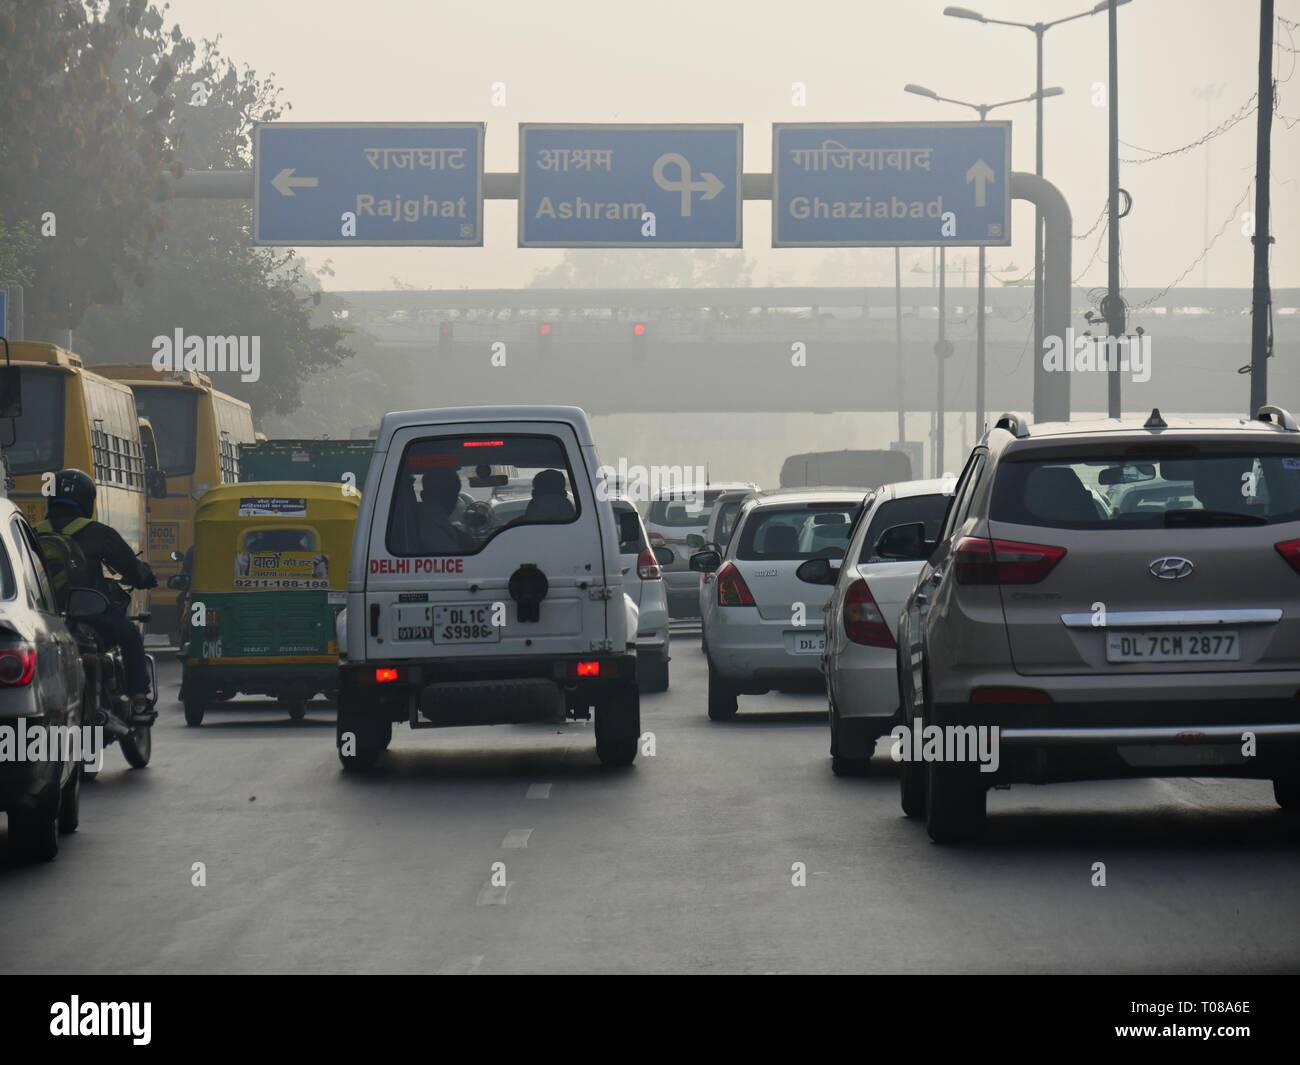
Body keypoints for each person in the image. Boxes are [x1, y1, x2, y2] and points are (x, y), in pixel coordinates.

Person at [37, 469, 158, 721]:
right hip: (92, 613)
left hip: (45, 617)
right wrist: (145, 577)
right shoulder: (98, 533)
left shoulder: (32, 533)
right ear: (87, 501)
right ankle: (138, 699)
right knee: (130, 636)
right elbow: (132, 569)